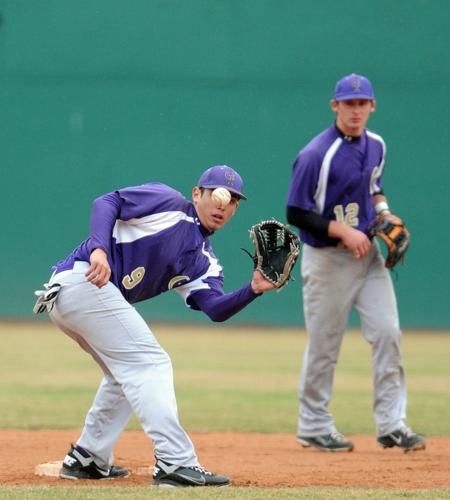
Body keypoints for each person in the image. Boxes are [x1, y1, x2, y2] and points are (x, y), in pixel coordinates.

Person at [34, 164, 275, 487]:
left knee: (125, 374)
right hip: (84, 281)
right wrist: (100, 249)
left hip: (79, 297)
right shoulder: (169, 203)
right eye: (217, 194)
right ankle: (176, 461)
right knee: (149, 362)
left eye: (232, 200)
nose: (223, 204)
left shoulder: (205, 261)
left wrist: (254, 289)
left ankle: (88, 457)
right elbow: (106, 202)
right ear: (196, 193)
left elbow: (215, 308)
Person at [286, 74, 426, 453]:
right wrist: (342, 231)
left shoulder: (377, 145)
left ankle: (392, 424)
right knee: (325, 343)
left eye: (362, 103)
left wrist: (384, 212)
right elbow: (296, 212)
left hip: (368, 257)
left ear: (372, 107)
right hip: (327, 259)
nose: (356, 110)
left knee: (388, 333)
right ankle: (313, 425)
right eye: (349, 103)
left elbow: (374, 188)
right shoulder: (316, 155)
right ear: (335, 106)